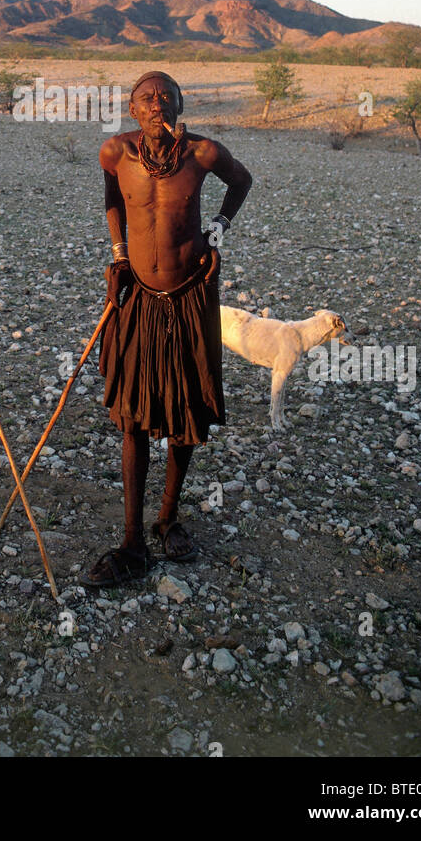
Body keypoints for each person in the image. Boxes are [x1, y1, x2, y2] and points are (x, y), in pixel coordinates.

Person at [83, 70, 252, 587]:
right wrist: (116, 255)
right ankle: (132, 539)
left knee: (186, 408)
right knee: (132, 412)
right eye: (146, 98)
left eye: (166, 97)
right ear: (132, 108)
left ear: (180, 105)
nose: (157, 104)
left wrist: (217, 232)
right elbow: (112, 199)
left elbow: (242, 181)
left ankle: (168, 518)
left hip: (190, 296)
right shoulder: (115, 152)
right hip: (138, 296)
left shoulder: (202, 154)